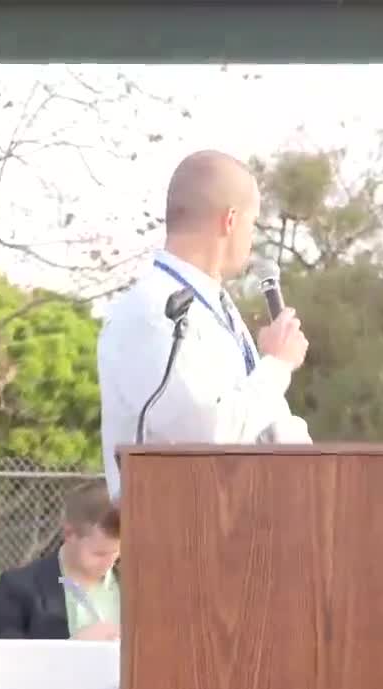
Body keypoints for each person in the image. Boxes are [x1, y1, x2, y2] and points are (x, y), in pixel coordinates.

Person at [97, 149, 311, 500]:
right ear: (230, 220)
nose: (251, 238)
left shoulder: (215, 307)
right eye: (252, 224)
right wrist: (278, 364)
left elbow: (260, 421)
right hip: (183, 537)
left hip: (246, 531)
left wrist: (324, 473)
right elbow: (205, 437)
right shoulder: (152, 310)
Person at [0, 482, 121, 689]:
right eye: (99, 553)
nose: (109, 563)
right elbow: (7, 671)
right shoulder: (20, 587)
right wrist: (71, 649)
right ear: (69, 534)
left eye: (117, 552)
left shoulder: (137, 585)